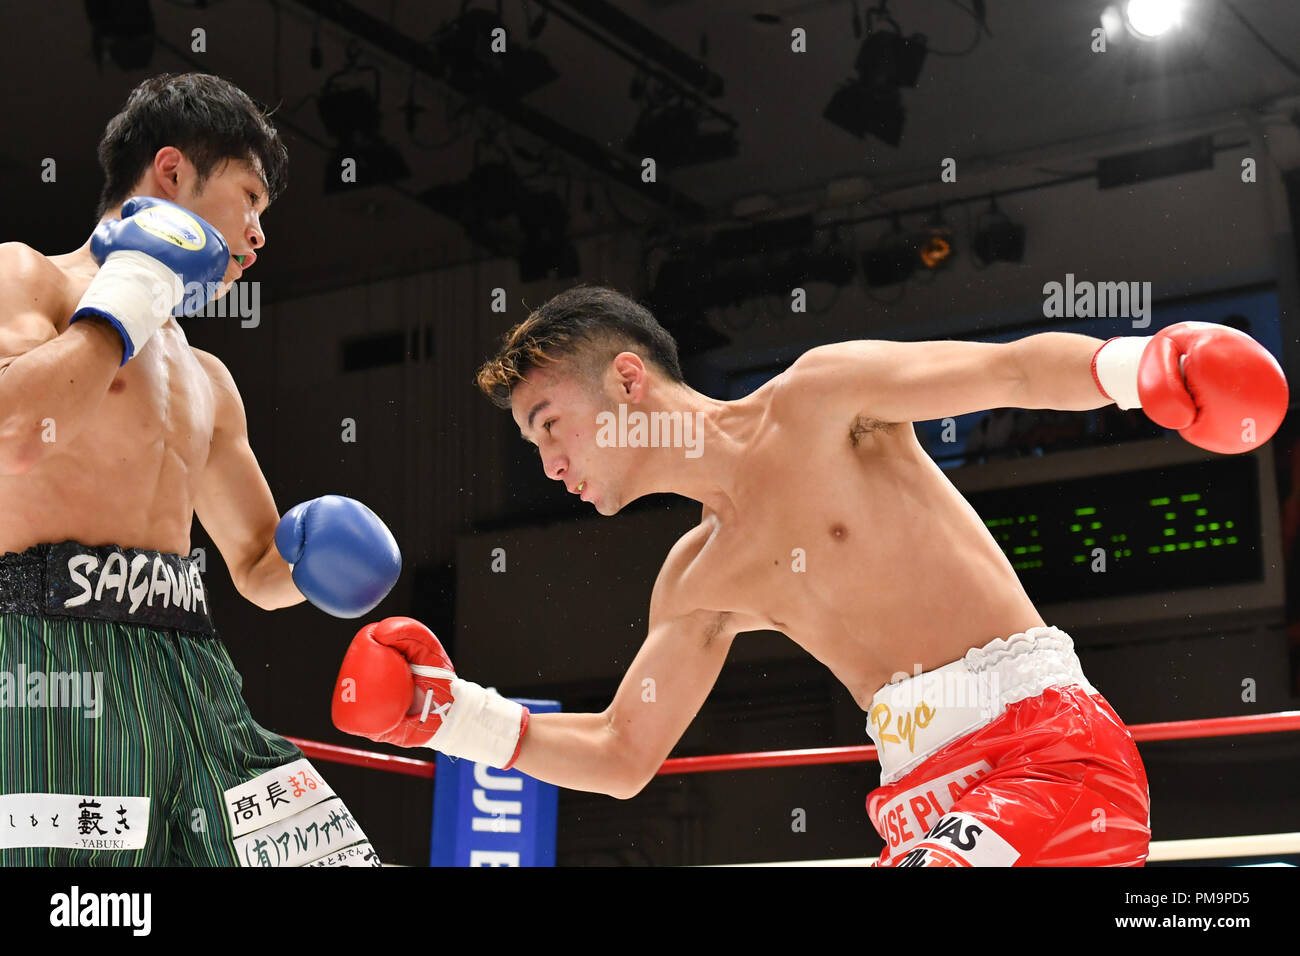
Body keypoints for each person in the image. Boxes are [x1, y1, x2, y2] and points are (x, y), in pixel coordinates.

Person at [333, 285, 1287, 866]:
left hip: (1046, 763)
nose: (549, 466)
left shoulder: (822, 401)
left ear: (627, 381)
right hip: (924, 807)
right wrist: (452, 716)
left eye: (549, 425)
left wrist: (1138, 366)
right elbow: (623, 755)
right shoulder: (697, 579)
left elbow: (1007, 374)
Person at [0, 73, 400, 866]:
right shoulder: (27, 277)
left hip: (193, 670)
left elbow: (254, 562)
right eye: (249, 199)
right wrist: (133, 290)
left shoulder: (208, 379)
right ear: (173, 172)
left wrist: (316, 556)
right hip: (52, 661)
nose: (257, 235)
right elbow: (15, 432)